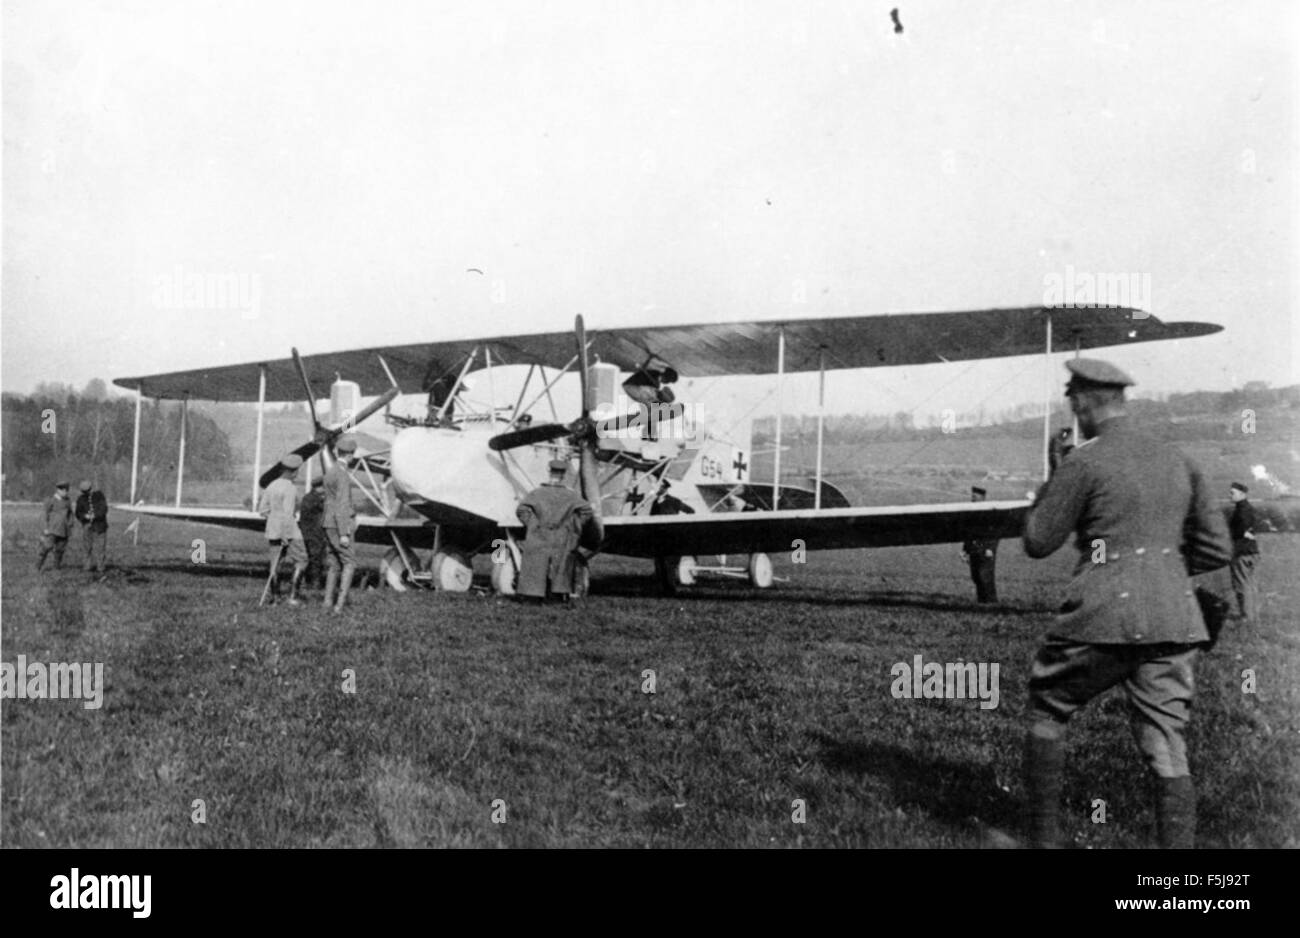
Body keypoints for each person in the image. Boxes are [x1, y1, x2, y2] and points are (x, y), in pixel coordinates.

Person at [1021, 358, 1232, 849]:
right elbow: (1217, 549)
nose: (1071, 406)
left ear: (1084, 401)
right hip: (1174, 616)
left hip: (1100, 615)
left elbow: (1037, 540)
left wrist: (1055, 474)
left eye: (1072, 397)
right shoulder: (1178, 458)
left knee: (1046, 711)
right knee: (1165, 741)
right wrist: (1159, 571)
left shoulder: (1084, 461)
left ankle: (1042, 842)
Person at [516, 458, 594, 602]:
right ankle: (559, 596)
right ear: (563, 475)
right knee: (562, 565)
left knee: (536, 562)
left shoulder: (536, 493)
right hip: (562, 534)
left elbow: (521, 510)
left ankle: (532, 596)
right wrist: (573, 525)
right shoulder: (571, 495)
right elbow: (587, 511)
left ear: (549, 472)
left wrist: (532, 523)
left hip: (539, 532)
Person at [258, 454, 308, 605]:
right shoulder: (290, 488)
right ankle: (293, 597)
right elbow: (288, 514)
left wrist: (274, 521)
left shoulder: (271, 485)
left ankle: (275, 598)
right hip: (290, 532)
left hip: (273, 531)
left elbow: (263, 511)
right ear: (293, 472)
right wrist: (285, 533)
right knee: (302, 560)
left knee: (275, 564)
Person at [321, 437, 358, 612]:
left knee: (334, 565)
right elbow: (342, 504)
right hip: (339, 524)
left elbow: (330, 501)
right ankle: (339, 606)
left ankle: (327, 602)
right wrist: (344, 533)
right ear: (351, 455)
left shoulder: (330, 471)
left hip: (328, 523)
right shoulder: (343, 474)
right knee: (349, 562)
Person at [650, 477, 695, 595]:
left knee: (668, 564)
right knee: (659, 564)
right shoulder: (655, 502)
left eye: (659, 486)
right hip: (658, 537)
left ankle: (670, 590)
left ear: (664, 488)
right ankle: (661, 589)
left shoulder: (674, 501)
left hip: (670, 538)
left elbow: (690, 511)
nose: (656, 488)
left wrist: (680, 527)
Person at [1228, 482, 1260, 623]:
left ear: (1242, 494)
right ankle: (1252, 615)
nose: (1230, 495)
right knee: (1250, 584)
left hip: (1242, 552)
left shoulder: (1241, 510)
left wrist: (1240, 533)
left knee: (1241, 584)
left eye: (1232, 493)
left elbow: (1242, 528)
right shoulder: (1249, 508)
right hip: (1252, 551)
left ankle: (1246, 617)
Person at [961, 485, 999, 604]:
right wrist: (965, 550)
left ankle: (991, 601)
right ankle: (981, 600)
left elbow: (995, 533)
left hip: (986, 549)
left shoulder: (989, 513)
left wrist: (990, 548)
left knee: (985, 575)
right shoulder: (971, 512)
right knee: (976, 575)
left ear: (982, 497)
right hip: (974, 549)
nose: (973, 498)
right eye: (972, 496)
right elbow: (968, 533)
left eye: (975, 496)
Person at [37, 481, 75, 571]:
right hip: (52, 529)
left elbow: (70, 513)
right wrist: (45, 528)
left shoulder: (67, 501)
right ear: (58, 490)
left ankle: (56, 566)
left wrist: (70, 524)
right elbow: (44, 515)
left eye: (66, 491)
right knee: (46, 547)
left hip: (64, 530)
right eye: (63, 490)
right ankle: (38, 565)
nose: (65, 492)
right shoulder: (50, 500)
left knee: (60, 549)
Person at [299, 475, 328, 589]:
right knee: (315, 558)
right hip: (313, 534)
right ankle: (314, 583)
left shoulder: (309, 498)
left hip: (311, 533)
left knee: (314, 558)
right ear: (319, 487)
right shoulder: (314, 499)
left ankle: (309, 581)